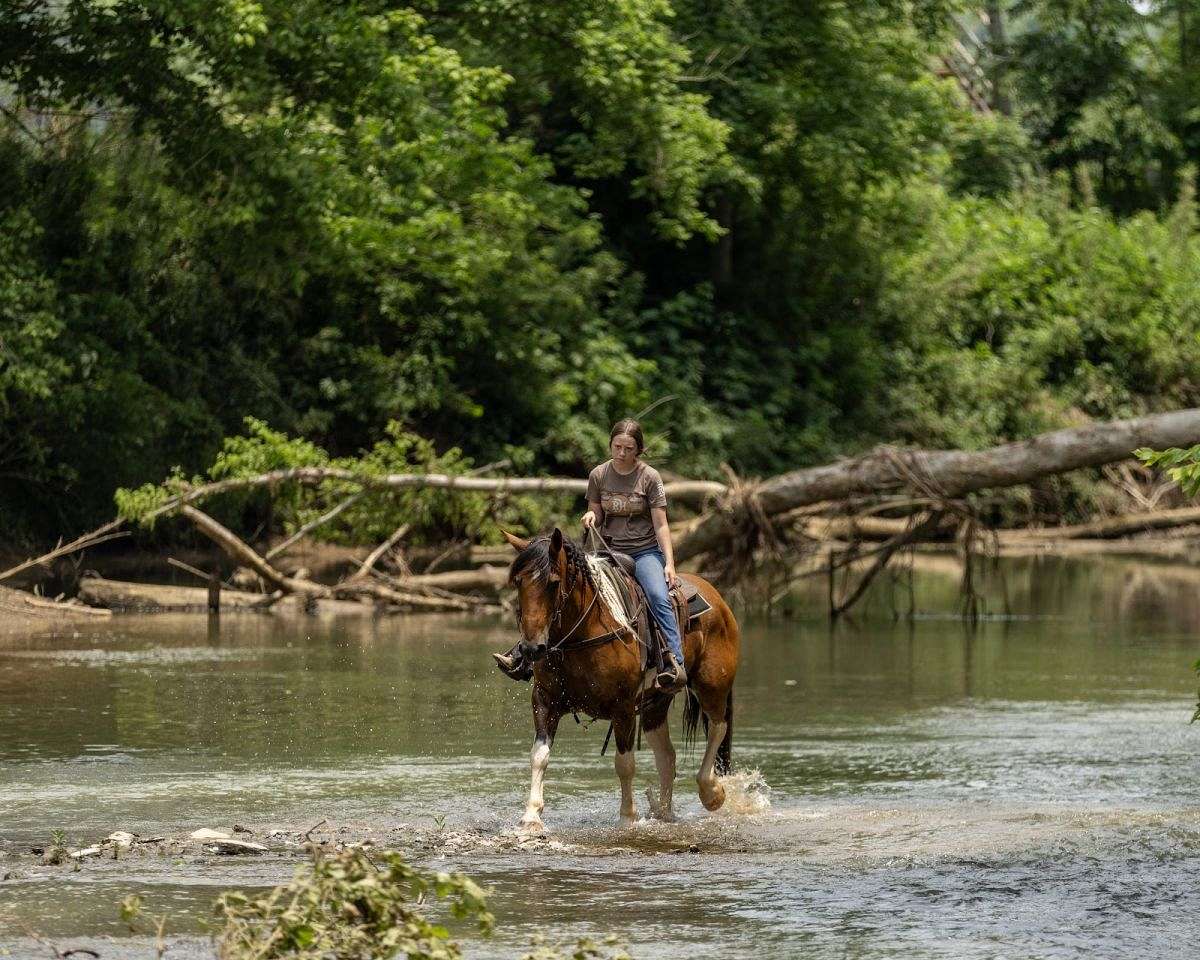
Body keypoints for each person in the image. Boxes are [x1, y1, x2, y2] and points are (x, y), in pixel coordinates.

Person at [494, 418, 687, 691]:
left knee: (657, 595)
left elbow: (661, 524)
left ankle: (674, 661)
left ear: (639, 450)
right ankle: (523, 654)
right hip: (608, 551)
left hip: (644, 552)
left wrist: (669, 563)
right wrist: (590, 515)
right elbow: (596, 509)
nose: (621, 453)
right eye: (617, 446)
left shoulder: (650, 478)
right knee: (566, 590)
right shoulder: (599, 474)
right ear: (610, 445)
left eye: (628, 448)